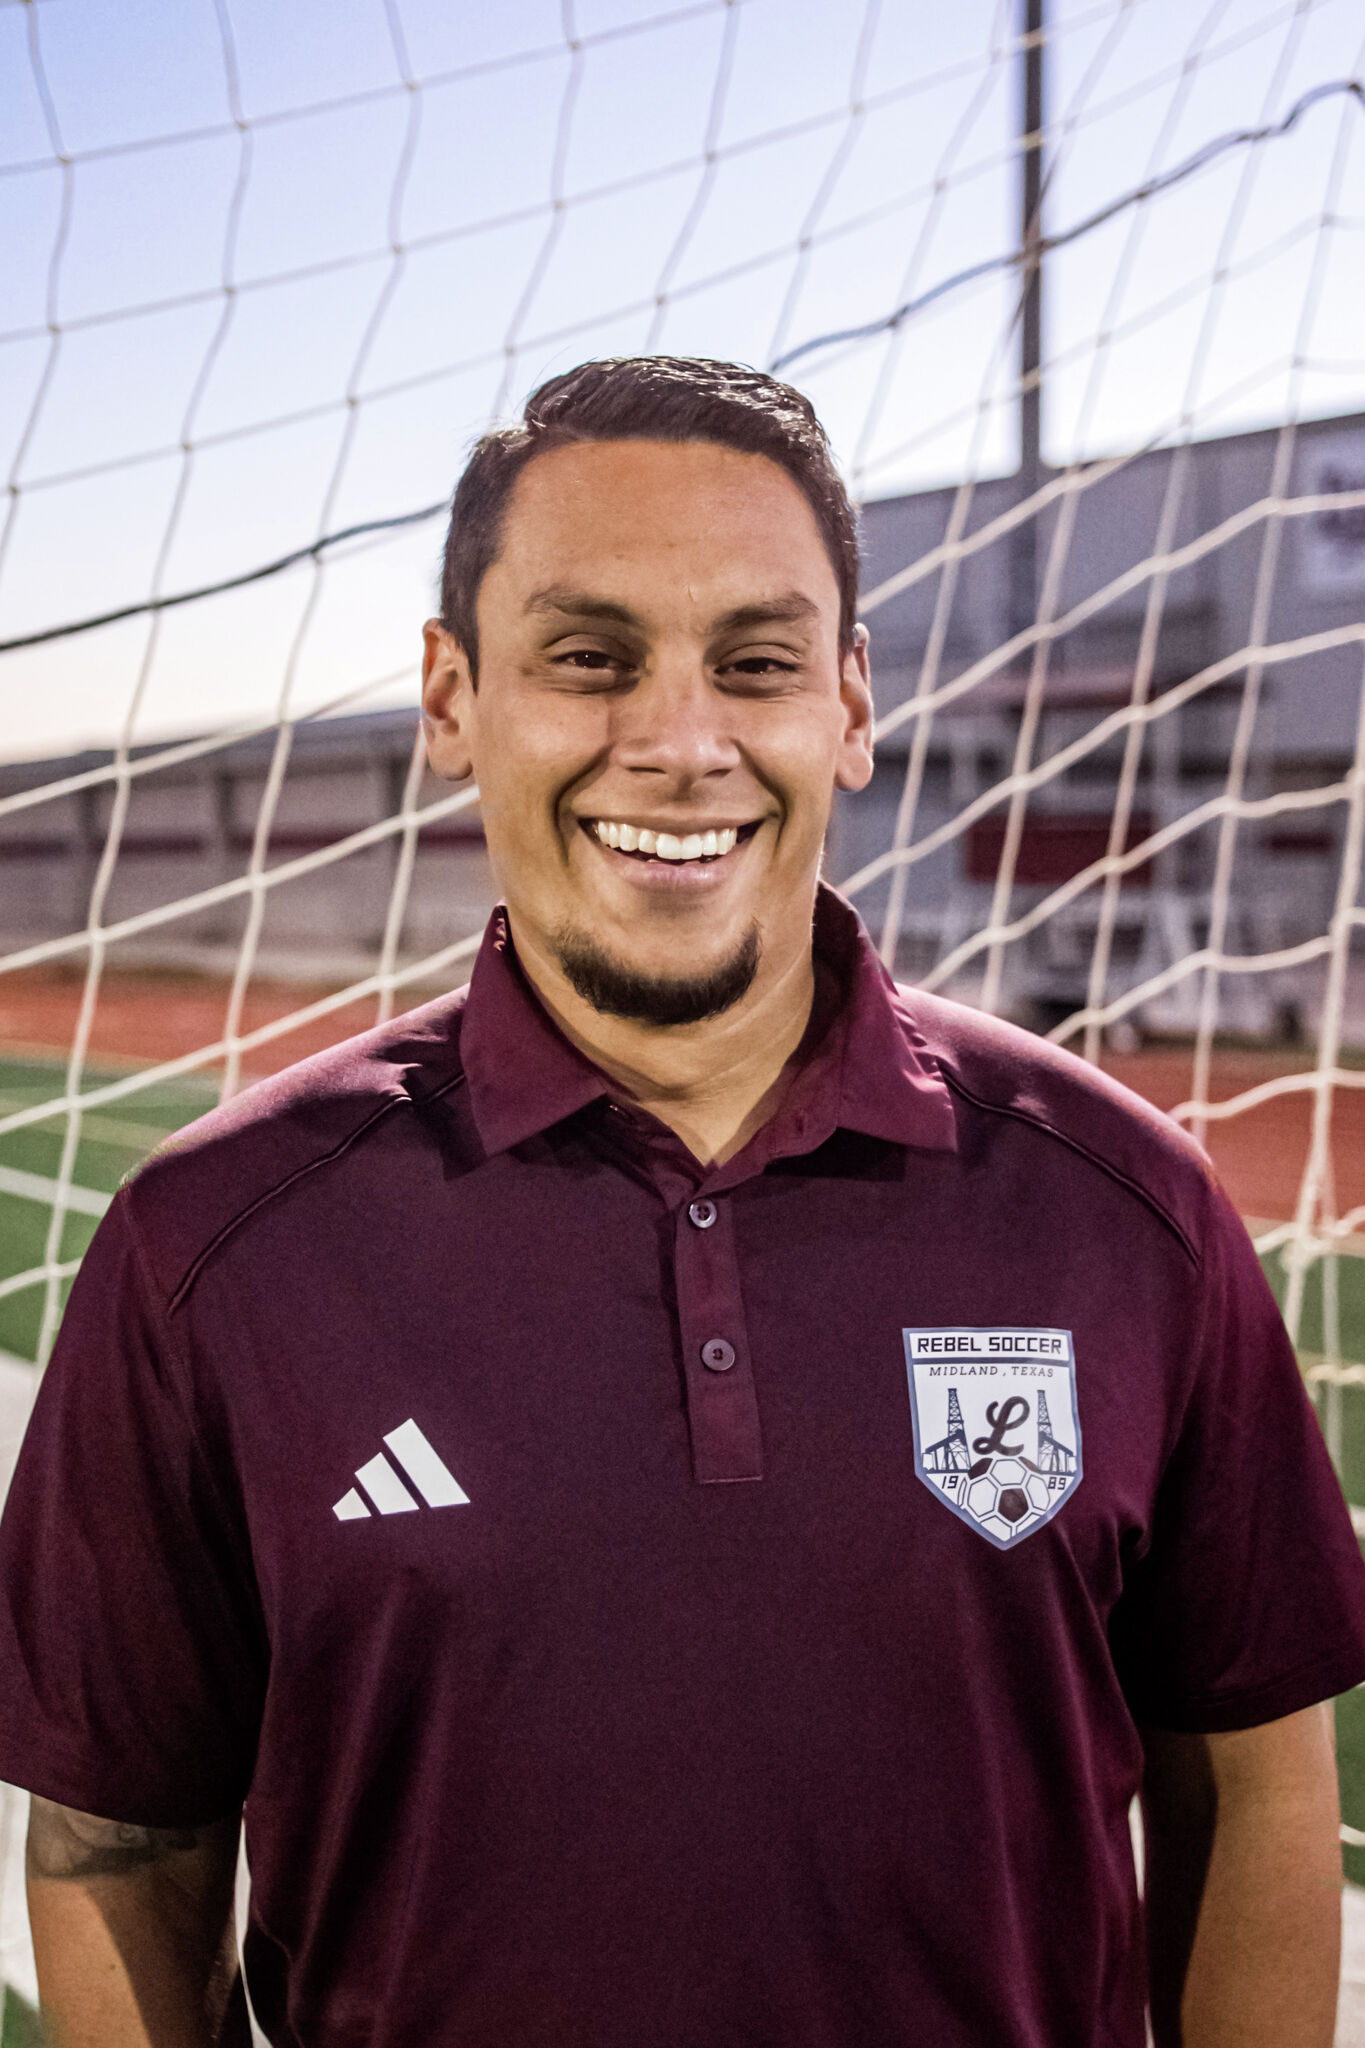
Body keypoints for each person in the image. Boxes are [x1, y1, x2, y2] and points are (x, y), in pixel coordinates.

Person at [1, 356, 1361, 2048]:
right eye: (589, 658)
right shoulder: (212, 1248)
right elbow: (120, 1835)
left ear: (848, 707)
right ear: (450, 697)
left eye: (755, 664)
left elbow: (1250, 1785)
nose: (678, 740)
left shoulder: (1125, 1208)